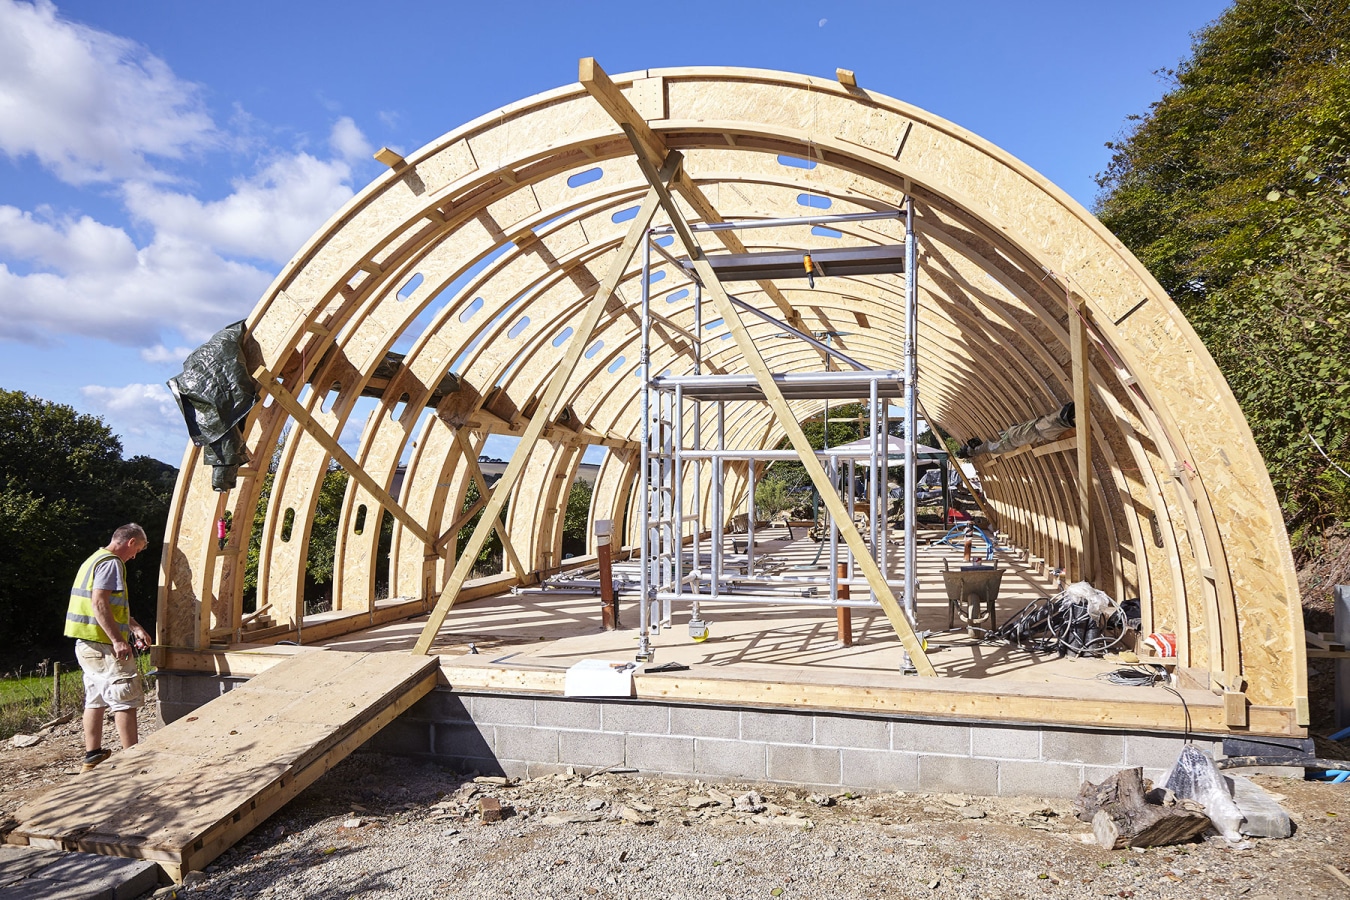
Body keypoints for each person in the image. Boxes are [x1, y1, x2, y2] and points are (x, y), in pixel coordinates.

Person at [65, 523, 154, 771]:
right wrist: (117, 640)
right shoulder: (112, 563)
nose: (135, 556)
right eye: (138, 549)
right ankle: (133, 760)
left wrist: (134, 627)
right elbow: (99, 603)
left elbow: (110, 606)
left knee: (95, 697)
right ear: (131, 542)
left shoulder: (94, 559)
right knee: (125, 696)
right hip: (103, 645)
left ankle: (92, 754)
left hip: (86, 644)